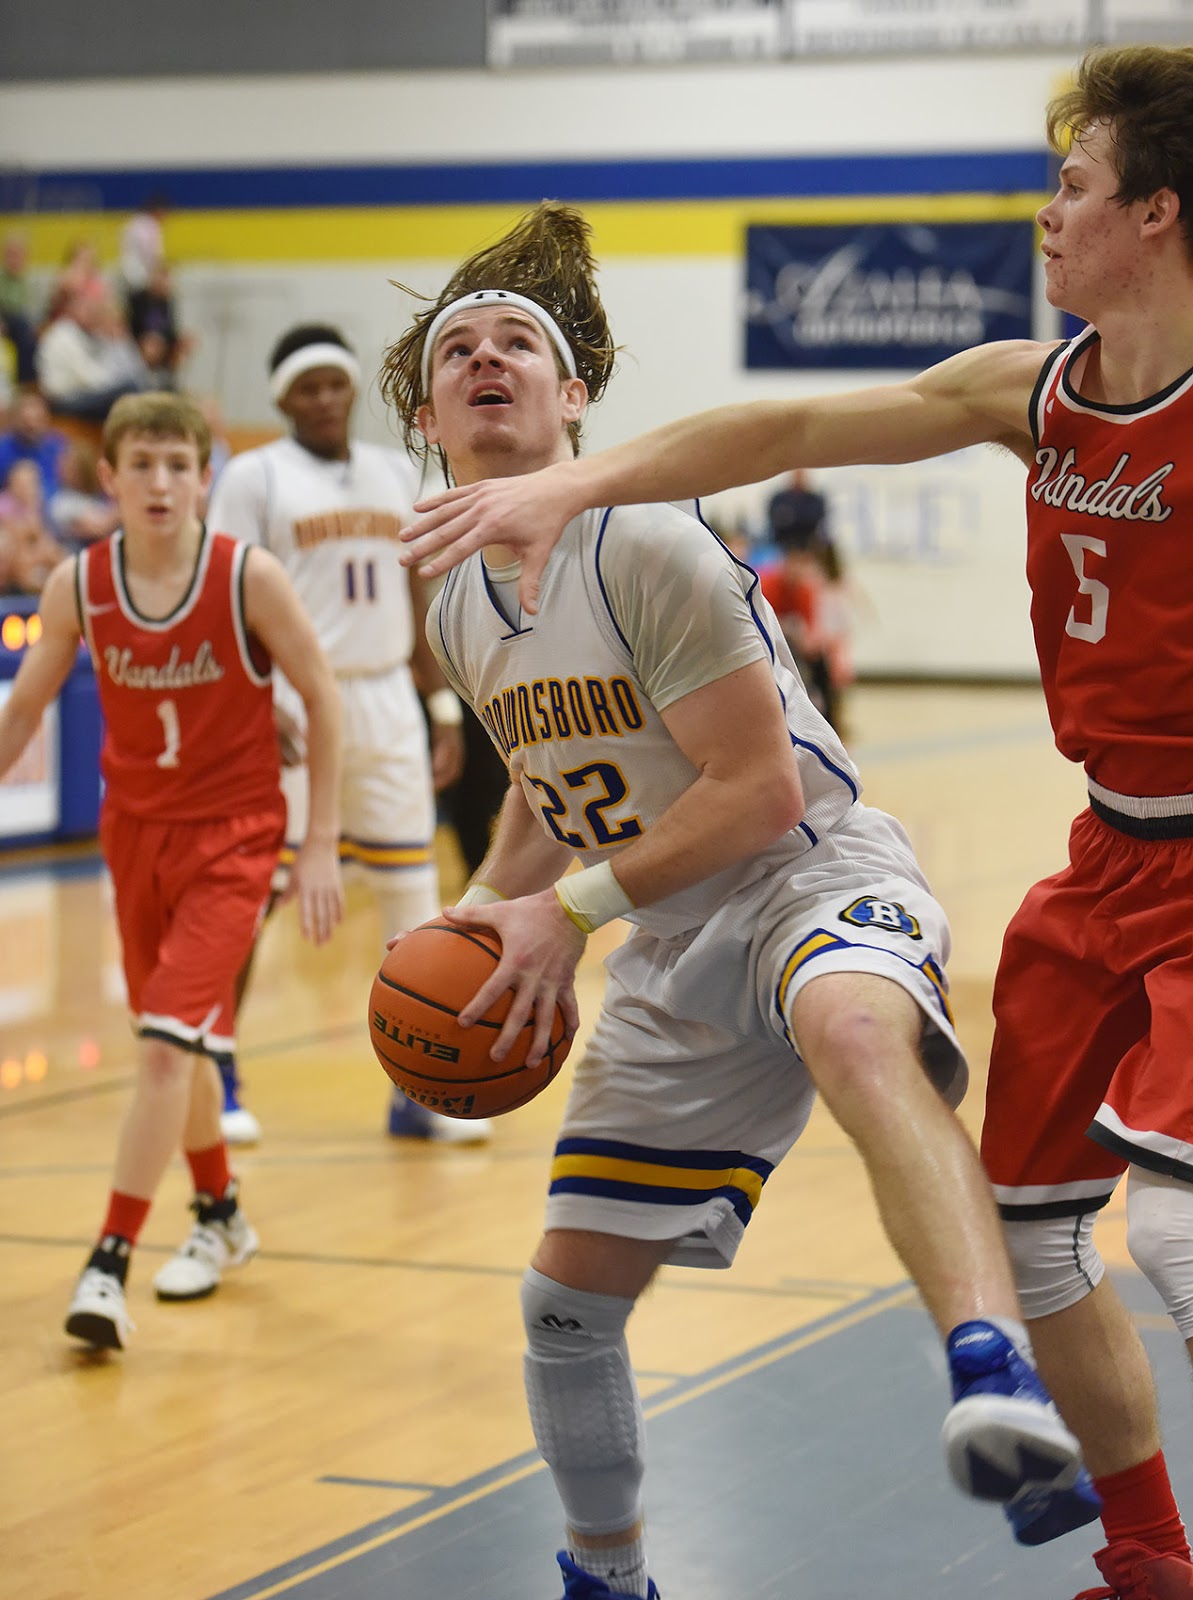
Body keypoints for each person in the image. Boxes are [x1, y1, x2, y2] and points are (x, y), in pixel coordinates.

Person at [397, 48, 1193, 1600]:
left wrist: (560, 913)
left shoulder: (650, 562)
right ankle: (1151, 1558)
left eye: (1073, 186)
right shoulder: (1023, 392)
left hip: (856, 875)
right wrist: (505, 918)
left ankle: (989, 1373)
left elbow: (752, 790)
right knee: (1040, 1244)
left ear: (1157, 213)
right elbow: (782, 433)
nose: (1044, 213)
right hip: (1099, 858)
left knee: (1164, 1229)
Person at [0, 392, 344, 1350]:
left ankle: (108, 1260)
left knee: (162, 1048)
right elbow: (25, 711)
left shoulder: (248, 577)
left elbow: (321, 695)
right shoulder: (79, 583)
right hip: (133, 834)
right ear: (106, 477)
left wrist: (318, 841)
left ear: (207, 477)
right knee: (178, 1040)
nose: (158, 483)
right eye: (139, 465)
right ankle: (220, 1214)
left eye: (177, 466)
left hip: (235, 836)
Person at [206, 322, 474, 1145]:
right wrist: (256, 696)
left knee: (412, 897)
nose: (323, 399)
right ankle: (213, 1068)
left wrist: (440, 706)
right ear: (283, 397)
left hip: (387, 693)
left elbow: (425, 593)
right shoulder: (254, 477)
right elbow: (225, 594)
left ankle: (420, 1083)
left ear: (351, 390)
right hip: (289, 701)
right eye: (306, 388)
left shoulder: (396, 471)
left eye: (335, 384)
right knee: (254, 895)